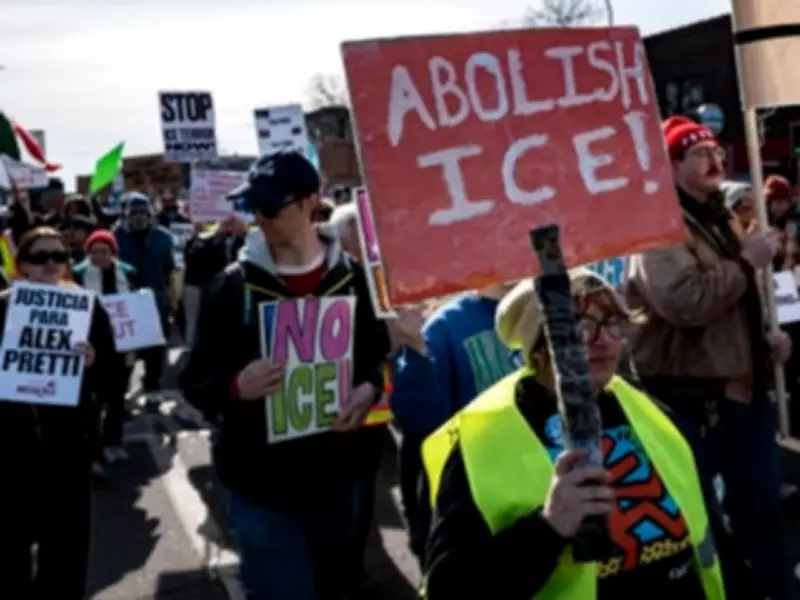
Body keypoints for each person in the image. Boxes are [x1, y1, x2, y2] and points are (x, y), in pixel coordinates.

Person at [423, 268, 725, 600]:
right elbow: (447, 587)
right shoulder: (487, 439)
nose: (604, 340)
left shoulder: (647, 411)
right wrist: (548, 528)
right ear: (538, 347)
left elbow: (710, 529)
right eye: (580, 327)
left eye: (611, 322)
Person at [179, 151, 390, 600]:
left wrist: (368, 389)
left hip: (337, 482)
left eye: (271, 206)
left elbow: (375, 355)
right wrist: (237, 387)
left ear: (311, 201)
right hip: (263, 491)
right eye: (251, 206)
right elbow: (194, 382)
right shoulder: (232, 285)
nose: (260, 217)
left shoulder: (352, 278)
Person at [626, 116, 794, 599]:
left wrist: (769, 336)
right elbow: (686, 301)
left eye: (716, 151)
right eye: (698, 153)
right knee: (702, 524)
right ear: (671, 165)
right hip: (690, 401)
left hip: (745, 395)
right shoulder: (656, 226)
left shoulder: (721, 216)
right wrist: (746, 261)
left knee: (763, 515)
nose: (715, 160)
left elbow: (744, 299)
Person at [0, 226, 116, 599]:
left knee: (66, 549)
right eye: (40, 257)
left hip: (69, 446)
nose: (50, 263)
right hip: (11, 448)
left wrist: (94, 361)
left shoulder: (87, 306)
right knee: (11, 548)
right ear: (22, 265)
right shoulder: (3, 307)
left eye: (59, 256)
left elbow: (113, 374)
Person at [329, 202, 424, 595]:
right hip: (341, 406)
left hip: (375, 405)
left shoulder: (384, 275)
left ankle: (353, 569)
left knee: (364, 490)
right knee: (346, 497)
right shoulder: (337, 281)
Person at [390, 280, 518, 565]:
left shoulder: (547, 308)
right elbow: (421, 422)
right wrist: (417, 349)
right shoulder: (445, 327)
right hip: (471, 500)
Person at [73, 229, 139, 466]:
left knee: (117, 396)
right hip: (93, 345)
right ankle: (94, 446)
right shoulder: (78, 274)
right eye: (94, 251)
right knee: (94, 399)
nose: (99, 256)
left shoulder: (128, 273)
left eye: (104, 251)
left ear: (113, 253)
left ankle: (114, 441)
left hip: (121, 344)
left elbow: (138, 303)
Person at [113, 192, 174, 402]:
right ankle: (121, 389)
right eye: (134, 213)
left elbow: (170, 268)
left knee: (156, 345)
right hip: (126, 300)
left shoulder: (163, 237)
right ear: (125, 215)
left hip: (155, 298)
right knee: (125, 347)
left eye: (143, 212)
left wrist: (171, 296)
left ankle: (152, 384)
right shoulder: (115, 237)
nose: (139, 217)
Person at [183, 216, 247, 347]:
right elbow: (192, 258)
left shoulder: (241, 238)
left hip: (227, 288)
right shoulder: (201, 237)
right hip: (200, 286)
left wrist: (242, 233)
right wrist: (214, 235)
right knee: (195, 322)